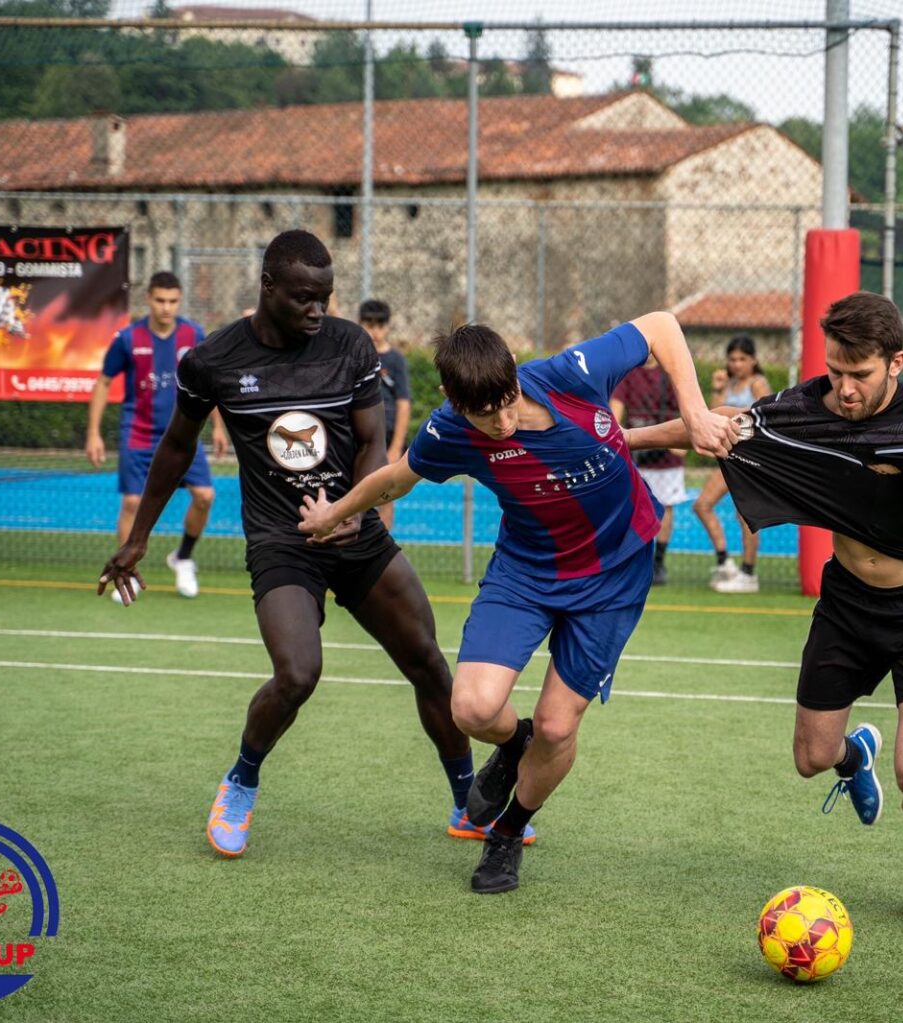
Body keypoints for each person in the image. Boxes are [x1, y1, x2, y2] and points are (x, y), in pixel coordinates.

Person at [97, 230, 504, 859]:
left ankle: (466, 803)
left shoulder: (348, 345)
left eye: (326, 297)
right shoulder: (214, 361)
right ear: (267, 288)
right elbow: (177, 448)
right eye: (304, 298)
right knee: (297, 674)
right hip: (280, 540)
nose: (318, 311)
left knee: (428, 662)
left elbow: (372, 440)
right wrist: (139, 537)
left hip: (353, 531)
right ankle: (241, 781)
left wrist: (355, 509)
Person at [297, 312, 736, 894]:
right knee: (473, 709)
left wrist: (699, 413)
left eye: (508, 403)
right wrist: (334, 513)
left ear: (514, 376)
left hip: (614, 575)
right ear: (455, 401)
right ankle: (513, 743)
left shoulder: (572, 374)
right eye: (485, 414)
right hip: (527, 572)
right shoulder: (450, 430)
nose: (502, 422)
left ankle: (508, 832)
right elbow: (397, 478)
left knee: (560, 726)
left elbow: (662, 326)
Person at [628, 292, 903, 929]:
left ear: (896, 363)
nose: (846, 387)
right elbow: (713, 424)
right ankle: (854, 757)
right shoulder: (803, 408)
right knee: (810, 759)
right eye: (836, 370)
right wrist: (618, 438)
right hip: (846, 608)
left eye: (860, 374)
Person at [86, 271, 227, 601]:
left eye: (173, 301)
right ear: (148, 299)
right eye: (160, 300)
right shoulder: (127, 338)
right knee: (133, 501)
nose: (166, 307)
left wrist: (219, 426)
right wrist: (93, 432)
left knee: (205, 496)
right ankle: (126, 571)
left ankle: (184, 558)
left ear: (179, 301)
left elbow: (210, 383)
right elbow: (104, 382)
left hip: (184, 434)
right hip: (139, 433)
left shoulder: (194, 334)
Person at [697, 335, 770, 593]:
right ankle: (724, 561)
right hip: (728, 458)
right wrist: (717, 388)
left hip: (751, 460)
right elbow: (711, 417)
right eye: (732, 359)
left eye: (742, 359)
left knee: (744, 515)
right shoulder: (727, 385)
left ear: (753, 360)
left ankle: (748, 574)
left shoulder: (758, 384)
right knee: (702, 505)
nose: (737, 364)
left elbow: (767, 417)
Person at [611, 352, 688, 585]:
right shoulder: (627, 376)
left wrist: (682, 440)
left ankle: (658, 562)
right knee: (629, 509)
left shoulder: (672, 375)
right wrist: (618, 439)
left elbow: (687, 410)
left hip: (667, 454)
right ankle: (629, 560)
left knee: (666, 507)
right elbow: (614, 414)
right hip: (636, 453)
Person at [359, 299, 412, 529]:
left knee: (385, 494)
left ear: (387, 327)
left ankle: (382, 543)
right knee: (356, 490)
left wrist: (396, 446)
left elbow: (403, 403)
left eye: (379, 325)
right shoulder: (355, 355)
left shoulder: (395, 360)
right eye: (369, 325)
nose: (374, 331)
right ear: (360, 324)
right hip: (360, 434)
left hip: (387, 435)